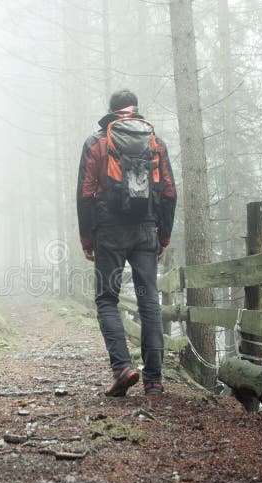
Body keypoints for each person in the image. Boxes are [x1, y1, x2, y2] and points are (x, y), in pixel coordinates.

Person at [76, 89, 177, 397]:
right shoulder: (155, 142)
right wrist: (164, 237)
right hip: (146, 229)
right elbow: (169, 193)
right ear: (135, 110)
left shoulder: (96, 142)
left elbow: (85, 194)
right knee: (149, 301)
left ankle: (123, 368)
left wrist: (87, 238)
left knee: (107, 299)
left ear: (111, 111)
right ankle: (155, 380)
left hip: (109, 231)